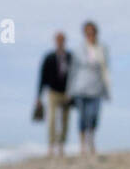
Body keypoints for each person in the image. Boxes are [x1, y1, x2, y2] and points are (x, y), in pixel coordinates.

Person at [67, 21, 110, 156]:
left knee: (93, 116)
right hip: (81, 88)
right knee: (83, 116)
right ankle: (83, 146)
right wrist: (69, 90)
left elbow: (105, 69)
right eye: (88, 32)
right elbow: (72, 70)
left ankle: (91, 141)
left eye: (92, 32)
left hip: (97, 88)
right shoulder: (78, 50)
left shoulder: (102, 49)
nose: (90, 35)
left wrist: (107, 88)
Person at [36, 32, 72, 155]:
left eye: (62, 40)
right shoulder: (49, 57)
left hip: (67, 92)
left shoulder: (70, 57)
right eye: (58, 40)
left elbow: (74, 76)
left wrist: (72, 91)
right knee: (52, 119)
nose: (60, 42)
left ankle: (61, 145)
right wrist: (38, 96)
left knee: (65, 120)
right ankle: (51, 145)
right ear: (55, 41)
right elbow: (42, 77)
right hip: (53, 92)